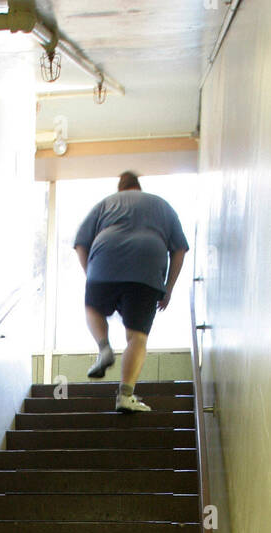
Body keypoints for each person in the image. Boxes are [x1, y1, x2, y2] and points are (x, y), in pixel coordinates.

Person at [73, 171, 189, 413]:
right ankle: (125, 395)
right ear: (139, 187)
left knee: (93, 308)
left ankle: (104, 347)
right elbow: (179, 249)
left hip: (105, 261)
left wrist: (92, 276)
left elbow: (80, 244)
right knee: (137, 337)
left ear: (120, 189)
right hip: (147, 268)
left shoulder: (106, 203)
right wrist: (168, 287)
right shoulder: (161, 205)